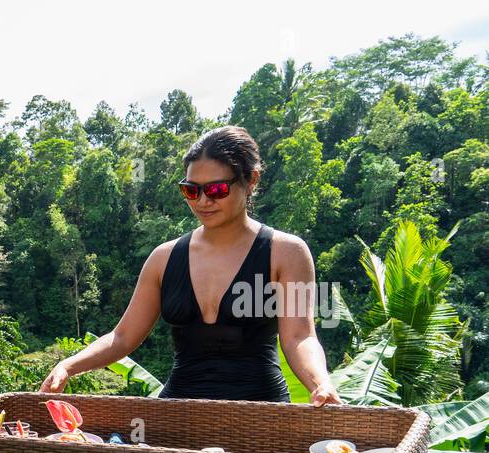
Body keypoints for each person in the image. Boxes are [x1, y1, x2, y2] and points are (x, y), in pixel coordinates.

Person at [40, 125, 341, 405]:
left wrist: (321, 384)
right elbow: (122, 338)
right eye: (191, 190)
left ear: (251, 180)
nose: (202, 201)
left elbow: (300, 336)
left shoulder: (286, 253)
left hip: (261, 415)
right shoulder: (164, 258)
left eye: (217, 190)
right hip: (177, 414)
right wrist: (68, 366)